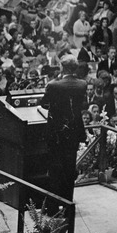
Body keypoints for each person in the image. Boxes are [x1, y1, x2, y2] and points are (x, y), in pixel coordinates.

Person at [39, 57, 87, 202]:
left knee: (55, 169)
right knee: (69, 168)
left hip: (56, 134)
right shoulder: (82, 84)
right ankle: (68, 203)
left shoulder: (53, 85)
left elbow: (43, 104)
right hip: (74, 132)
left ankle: (53, 205)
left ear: (62, 68)